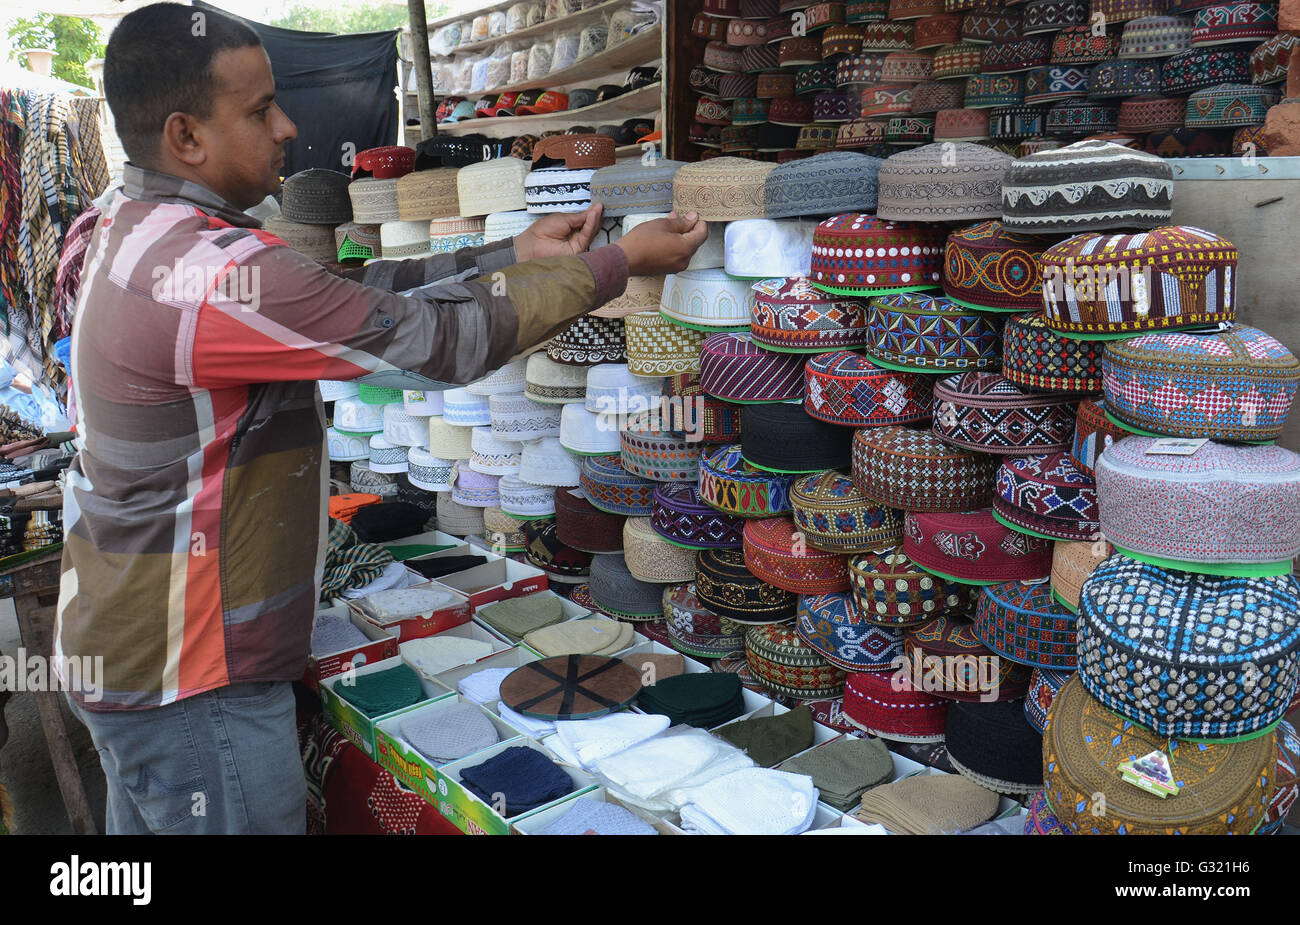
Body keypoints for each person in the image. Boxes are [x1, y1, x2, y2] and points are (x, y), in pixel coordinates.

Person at [55, 2, 706, 834]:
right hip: (190, 675)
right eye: (259, 111)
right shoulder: (204, 271)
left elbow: (351, 302)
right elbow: (434, 344)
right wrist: (617, 263)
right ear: (186, 137)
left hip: (131, 649)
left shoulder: (138, 228)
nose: (288, 126)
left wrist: (509, 253)